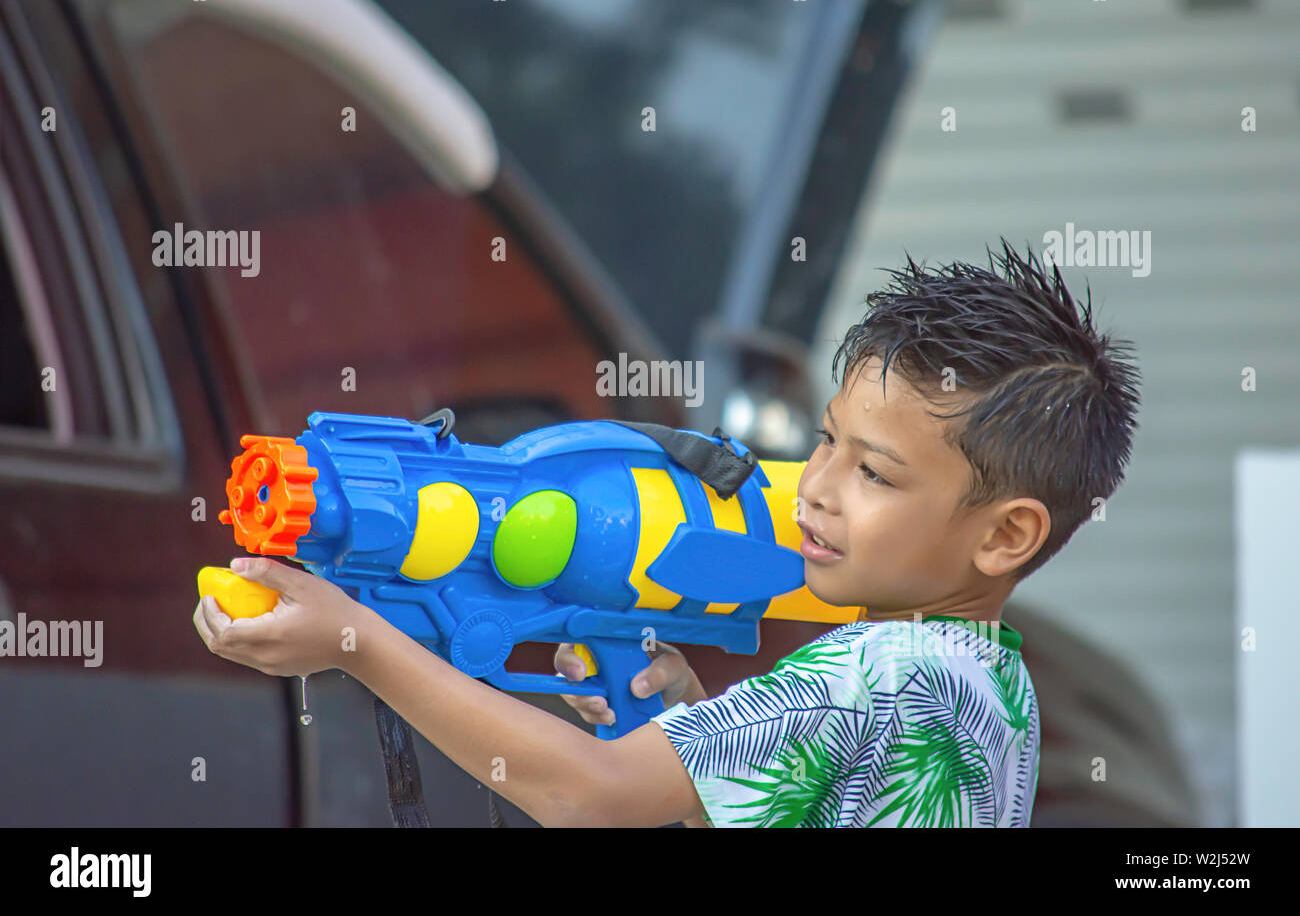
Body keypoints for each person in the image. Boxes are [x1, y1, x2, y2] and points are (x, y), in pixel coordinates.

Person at [194, 239, 1140, 827]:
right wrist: (698, 725)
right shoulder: (992, 680)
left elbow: (586, 797)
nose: (816, 489)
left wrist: (359, 644)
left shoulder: (868, 673)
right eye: (825, 442)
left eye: (875, 474)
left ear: (1006, 535)